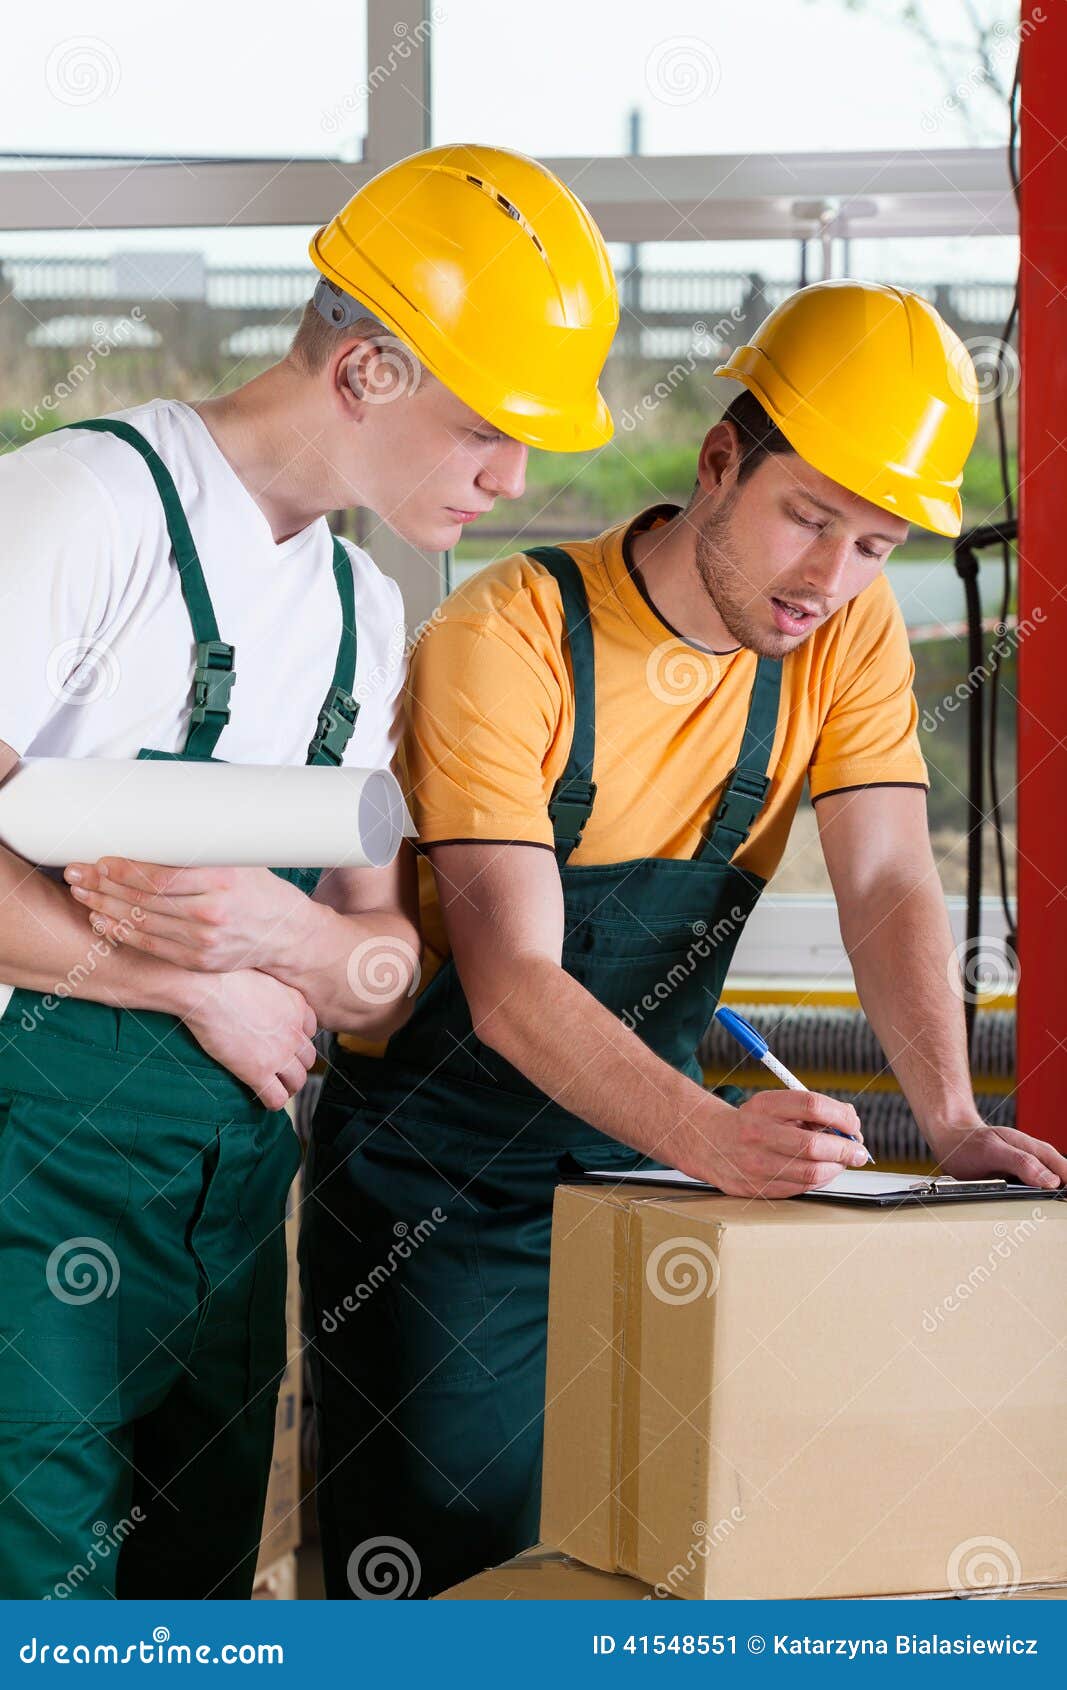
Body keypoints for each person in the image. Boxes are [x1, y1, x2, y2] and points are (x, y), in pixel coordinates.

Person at [299, 279, 1067, 1600]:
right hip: (441, 1200)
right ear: (721, 461)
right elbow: (511, 983)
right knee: (438, 1578)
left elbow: (884, 874)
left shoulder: (845, 634)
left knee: (657, 1564)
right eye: (808, 518)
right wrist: (714, 1136)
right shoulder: (510, 634)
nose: (830, 579)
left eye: (877, 544)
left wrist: (945, 1117)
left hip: (646, 1175)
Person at [0, 141, 618, 1598]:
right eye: (489, 427)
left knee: (203, 1590)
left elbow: (382, 966)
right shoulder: (85, 511)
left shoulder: (357, 612)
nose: (513, 476)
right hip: (35, 1199)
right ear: (371, 373)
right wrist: (191, 986)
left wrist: (296, 939)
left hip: (226, 1217)